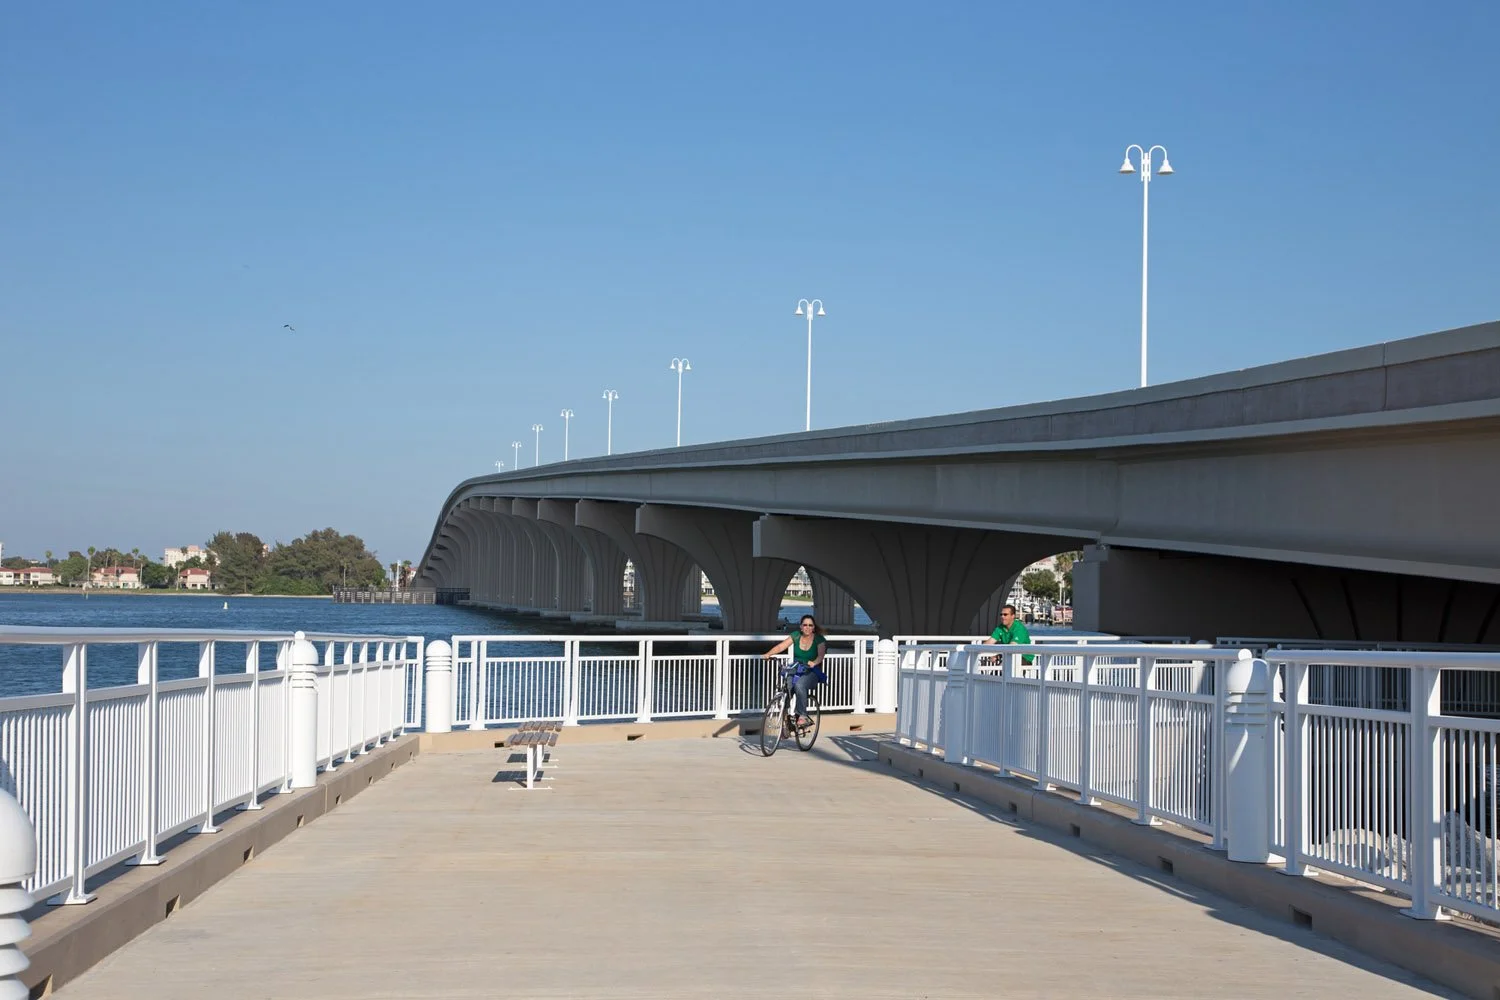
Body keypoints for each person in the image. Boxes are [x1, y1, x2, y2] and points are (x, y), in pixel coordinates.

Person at [763, 614, 826, 727]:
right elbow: (780, 647)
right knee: (787, 687)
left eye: (810, 625)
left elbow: (820, 656)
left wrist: (814, 662)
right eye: (805, 625)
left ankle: (803, 715)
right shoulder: (796, 636)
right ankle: (786, 720)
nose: (807, 627)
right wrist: (769, 653)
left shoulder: (819, 639)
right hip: (796, 667)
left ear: (814, 627)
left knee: (799, 685)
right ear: (801, 627)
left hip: (812, 671)